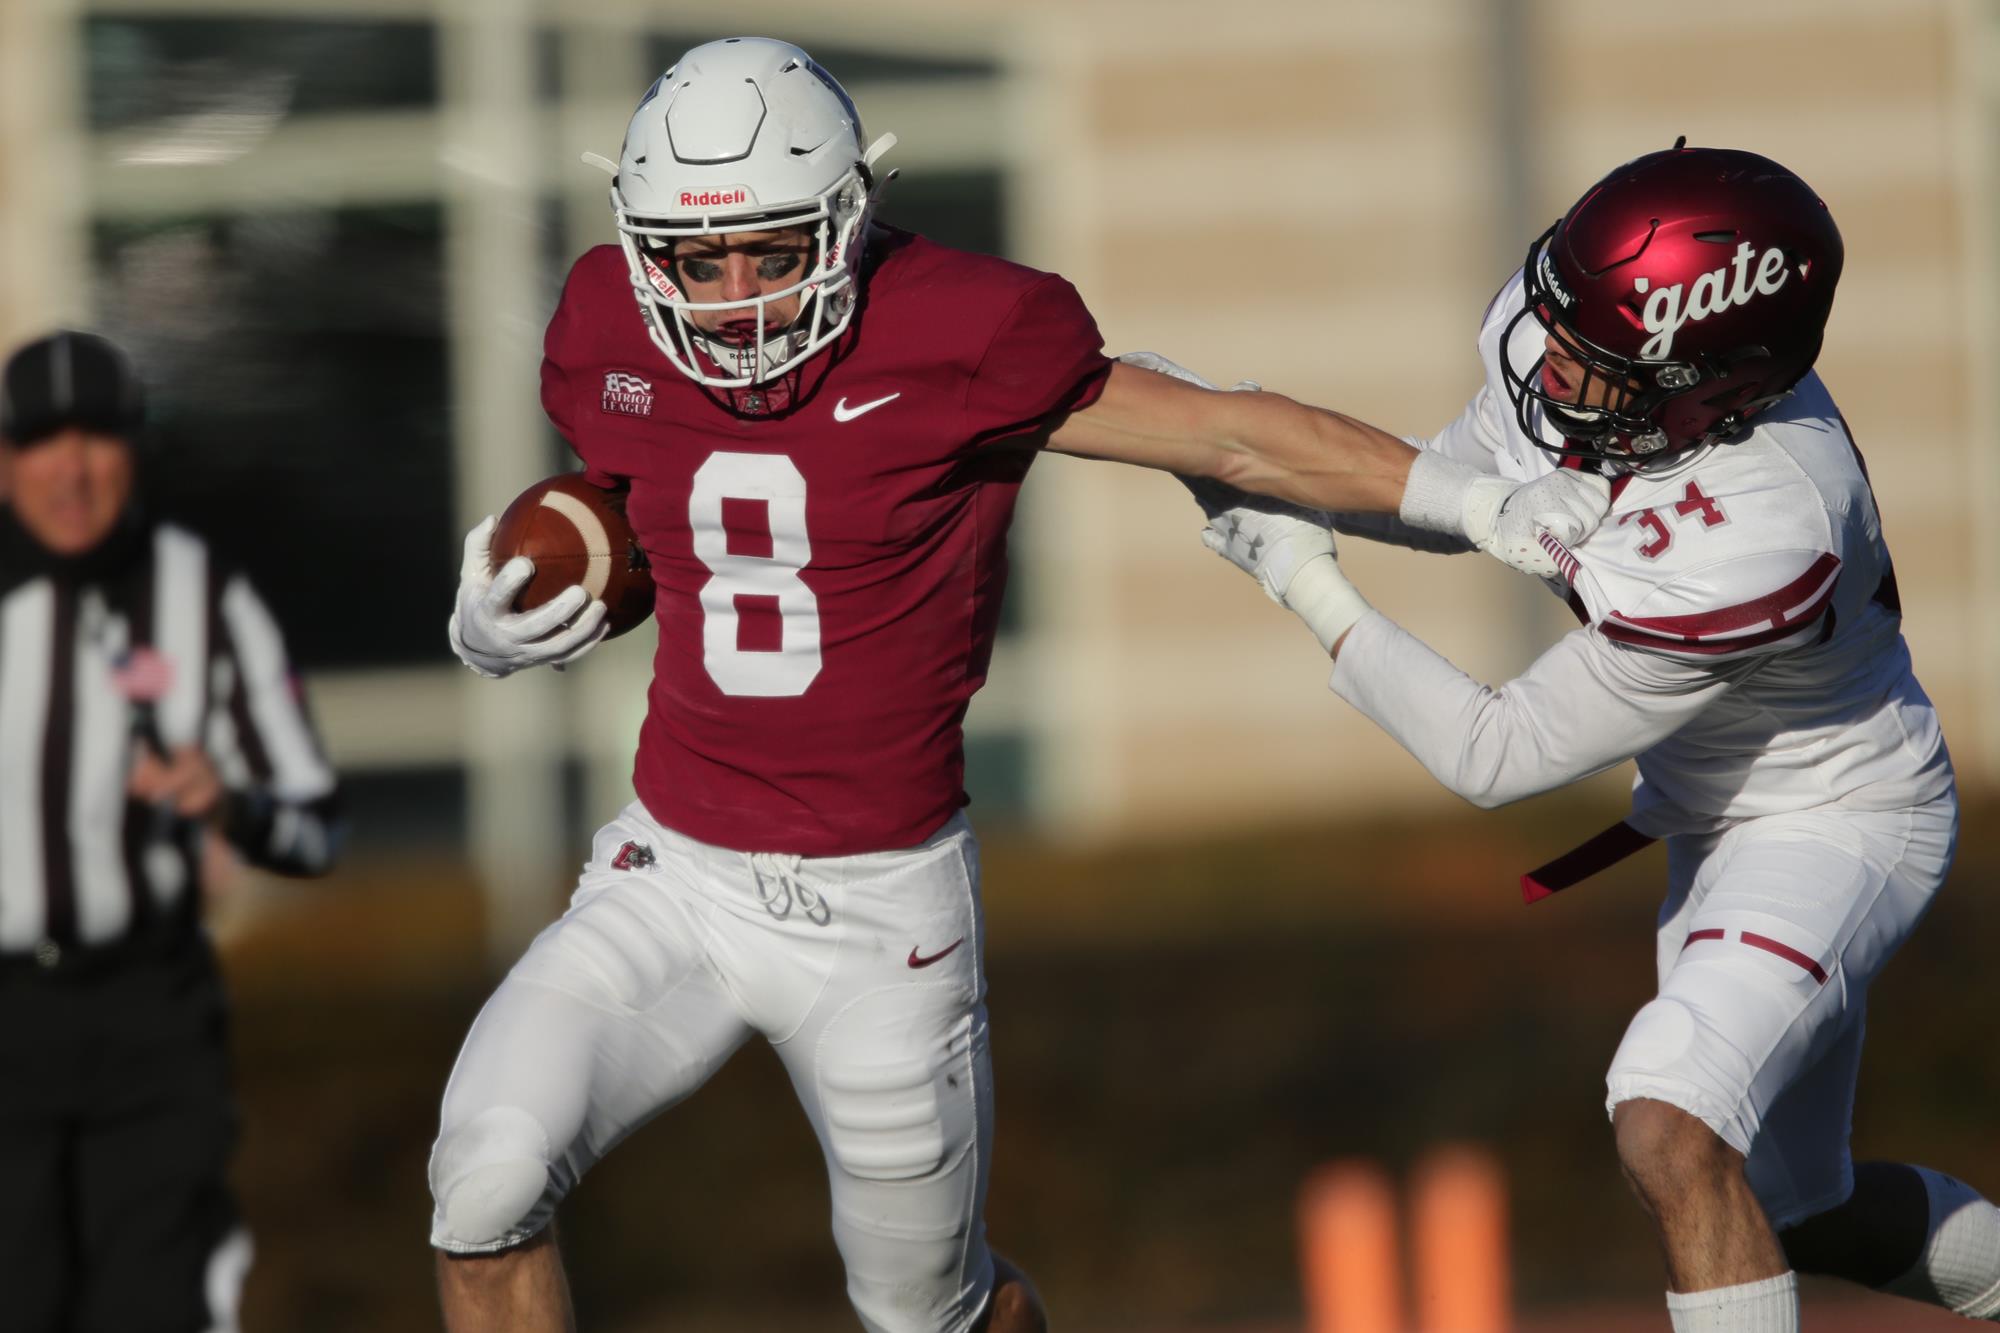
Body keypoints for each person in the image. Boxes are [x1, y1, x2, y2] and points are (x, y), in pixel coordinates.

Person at [430, 37, 1607, 1333]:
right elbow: (643, 516)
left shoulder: (960, 332)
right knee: (483, 1185)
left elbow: (1225, 430)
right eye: (700, 260)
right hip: (672, 875)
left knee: (932, 1315)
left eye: (772, 251)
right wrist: (497, 625)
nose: (738, 297)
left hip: (882, 920)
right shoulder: (604, 323)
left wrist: (1482, 505)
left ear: (849, 218)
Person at [1192, 144, 2000, 1332]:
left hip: (1831, 817)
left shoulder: (1770, 521)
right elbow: (1452, 493)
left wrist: (1304, 581)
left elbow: (1495, 754)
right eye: (1560, 322)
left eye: (1600, 362)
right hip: (1713, 812)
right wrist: (1253, 463)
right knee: (1792, 1207)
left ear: (1716, 384)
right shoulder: (1592, 352)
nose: (1549, 361)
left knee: (1666, 1125)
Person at [0, 329, 343, 1332]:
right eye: (42, 440)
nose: (73, 468)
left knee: (156, 1302)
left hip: (148, 1014)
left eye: (98, 437)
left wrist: (228, 805)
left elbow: (317, 827)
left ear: (135, 448)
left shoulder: (200, 594)